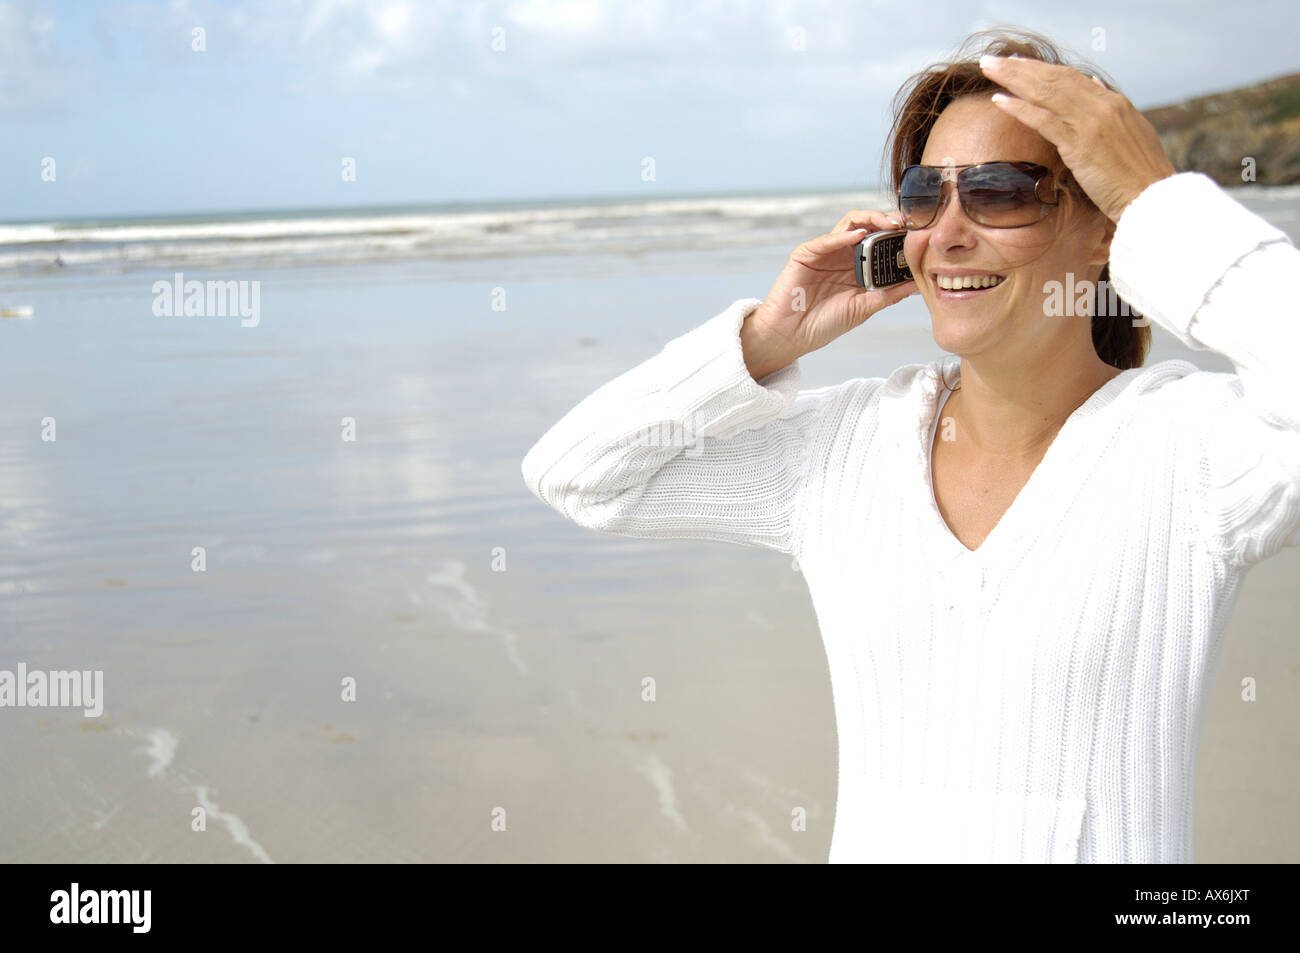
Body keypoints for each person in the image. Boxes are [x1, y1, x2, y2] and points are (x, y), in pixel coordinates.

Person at [520, 29, 1300, 863]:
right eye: (927, 195)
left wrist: (1159, 201)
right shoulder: (847, 447)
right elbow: (579, 475)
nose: (949, 233)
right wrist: (764, 339)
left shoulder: (1189, 451)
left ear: (1106, 228)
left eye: (1001, 191)